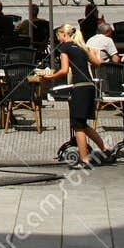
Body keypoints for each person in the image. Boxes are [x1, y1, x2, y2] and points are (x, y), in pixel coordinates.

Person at [39, 24, 108, 169]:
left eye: (59, 37)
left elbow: (64, 70)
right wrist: (93, 52)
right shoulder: (82, 47)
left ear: (64, 35)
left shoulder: (65, 48)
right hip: (90, 86)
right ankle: (105, 149)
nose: (59, 40)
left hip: (79, 87)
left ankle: (84, 160)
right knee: (84, 124)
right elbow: (97, 63)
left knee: (78, 125)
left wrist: (50, 76)